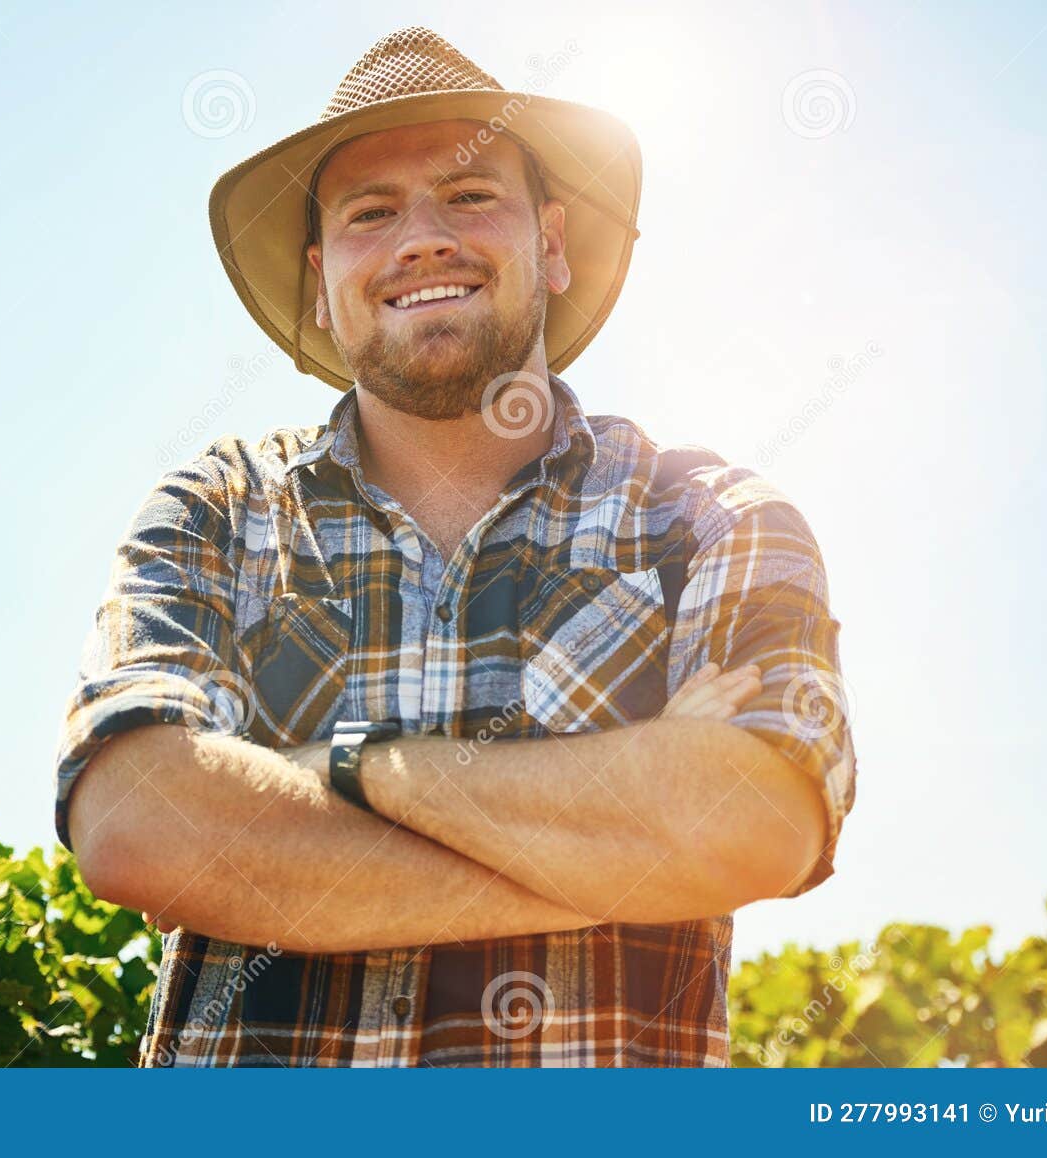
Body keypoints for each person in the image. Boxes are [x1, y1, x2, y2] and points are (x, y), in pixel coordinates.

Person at [53, 26, 857, 1067]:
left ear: (552, 243)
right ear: (319, 277)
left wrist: (339, 769)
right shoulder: (216, 509)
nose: (421, 238)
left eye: (471, 194)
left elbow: (754, 826)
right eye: (370, 212)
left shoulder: (705, 516)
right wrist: (624, 852)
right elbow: (136, 827)